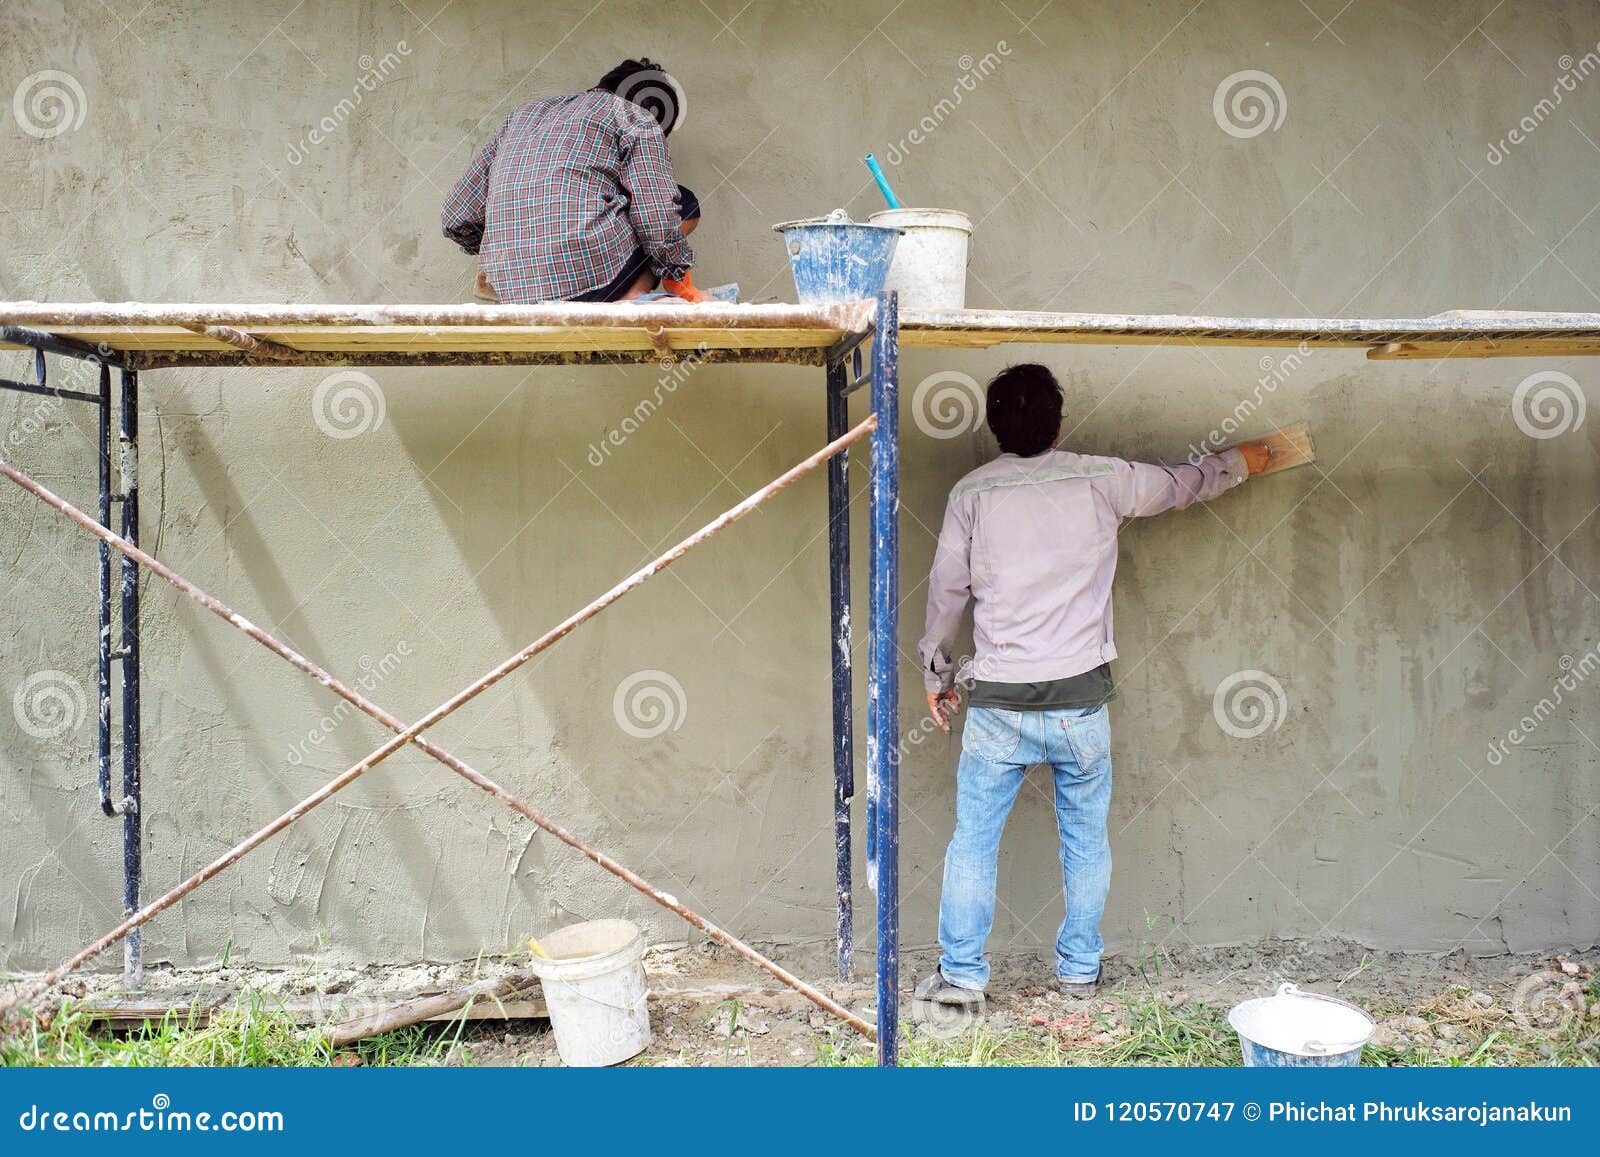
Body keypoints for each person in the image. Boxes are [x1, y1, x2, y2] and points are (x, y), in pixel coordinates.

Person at [914, 363, 1272, 1008]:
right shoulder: (1103, 479)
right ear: (1059, 421)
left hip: (1000, 702)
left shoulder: (972, 492)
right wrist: (1244, 460)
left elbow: (947, 592)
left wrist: (935, 674)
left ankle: (962, 979)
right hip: (1080, 702)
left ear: (995, 426)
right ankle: (1079, 973)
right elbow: (1182, 485)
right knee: (1084, 838)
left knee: (972, 843)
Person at [442, 58, 710, 304]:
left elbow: (457, 216)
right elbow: (656, 211)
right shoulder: (636, 117)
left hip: (513, 291)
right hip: (589, 285)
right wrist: (679, 280)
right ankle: (631, 297)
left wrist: (509, 249)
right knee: (682, 202)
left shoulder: (523, 116)